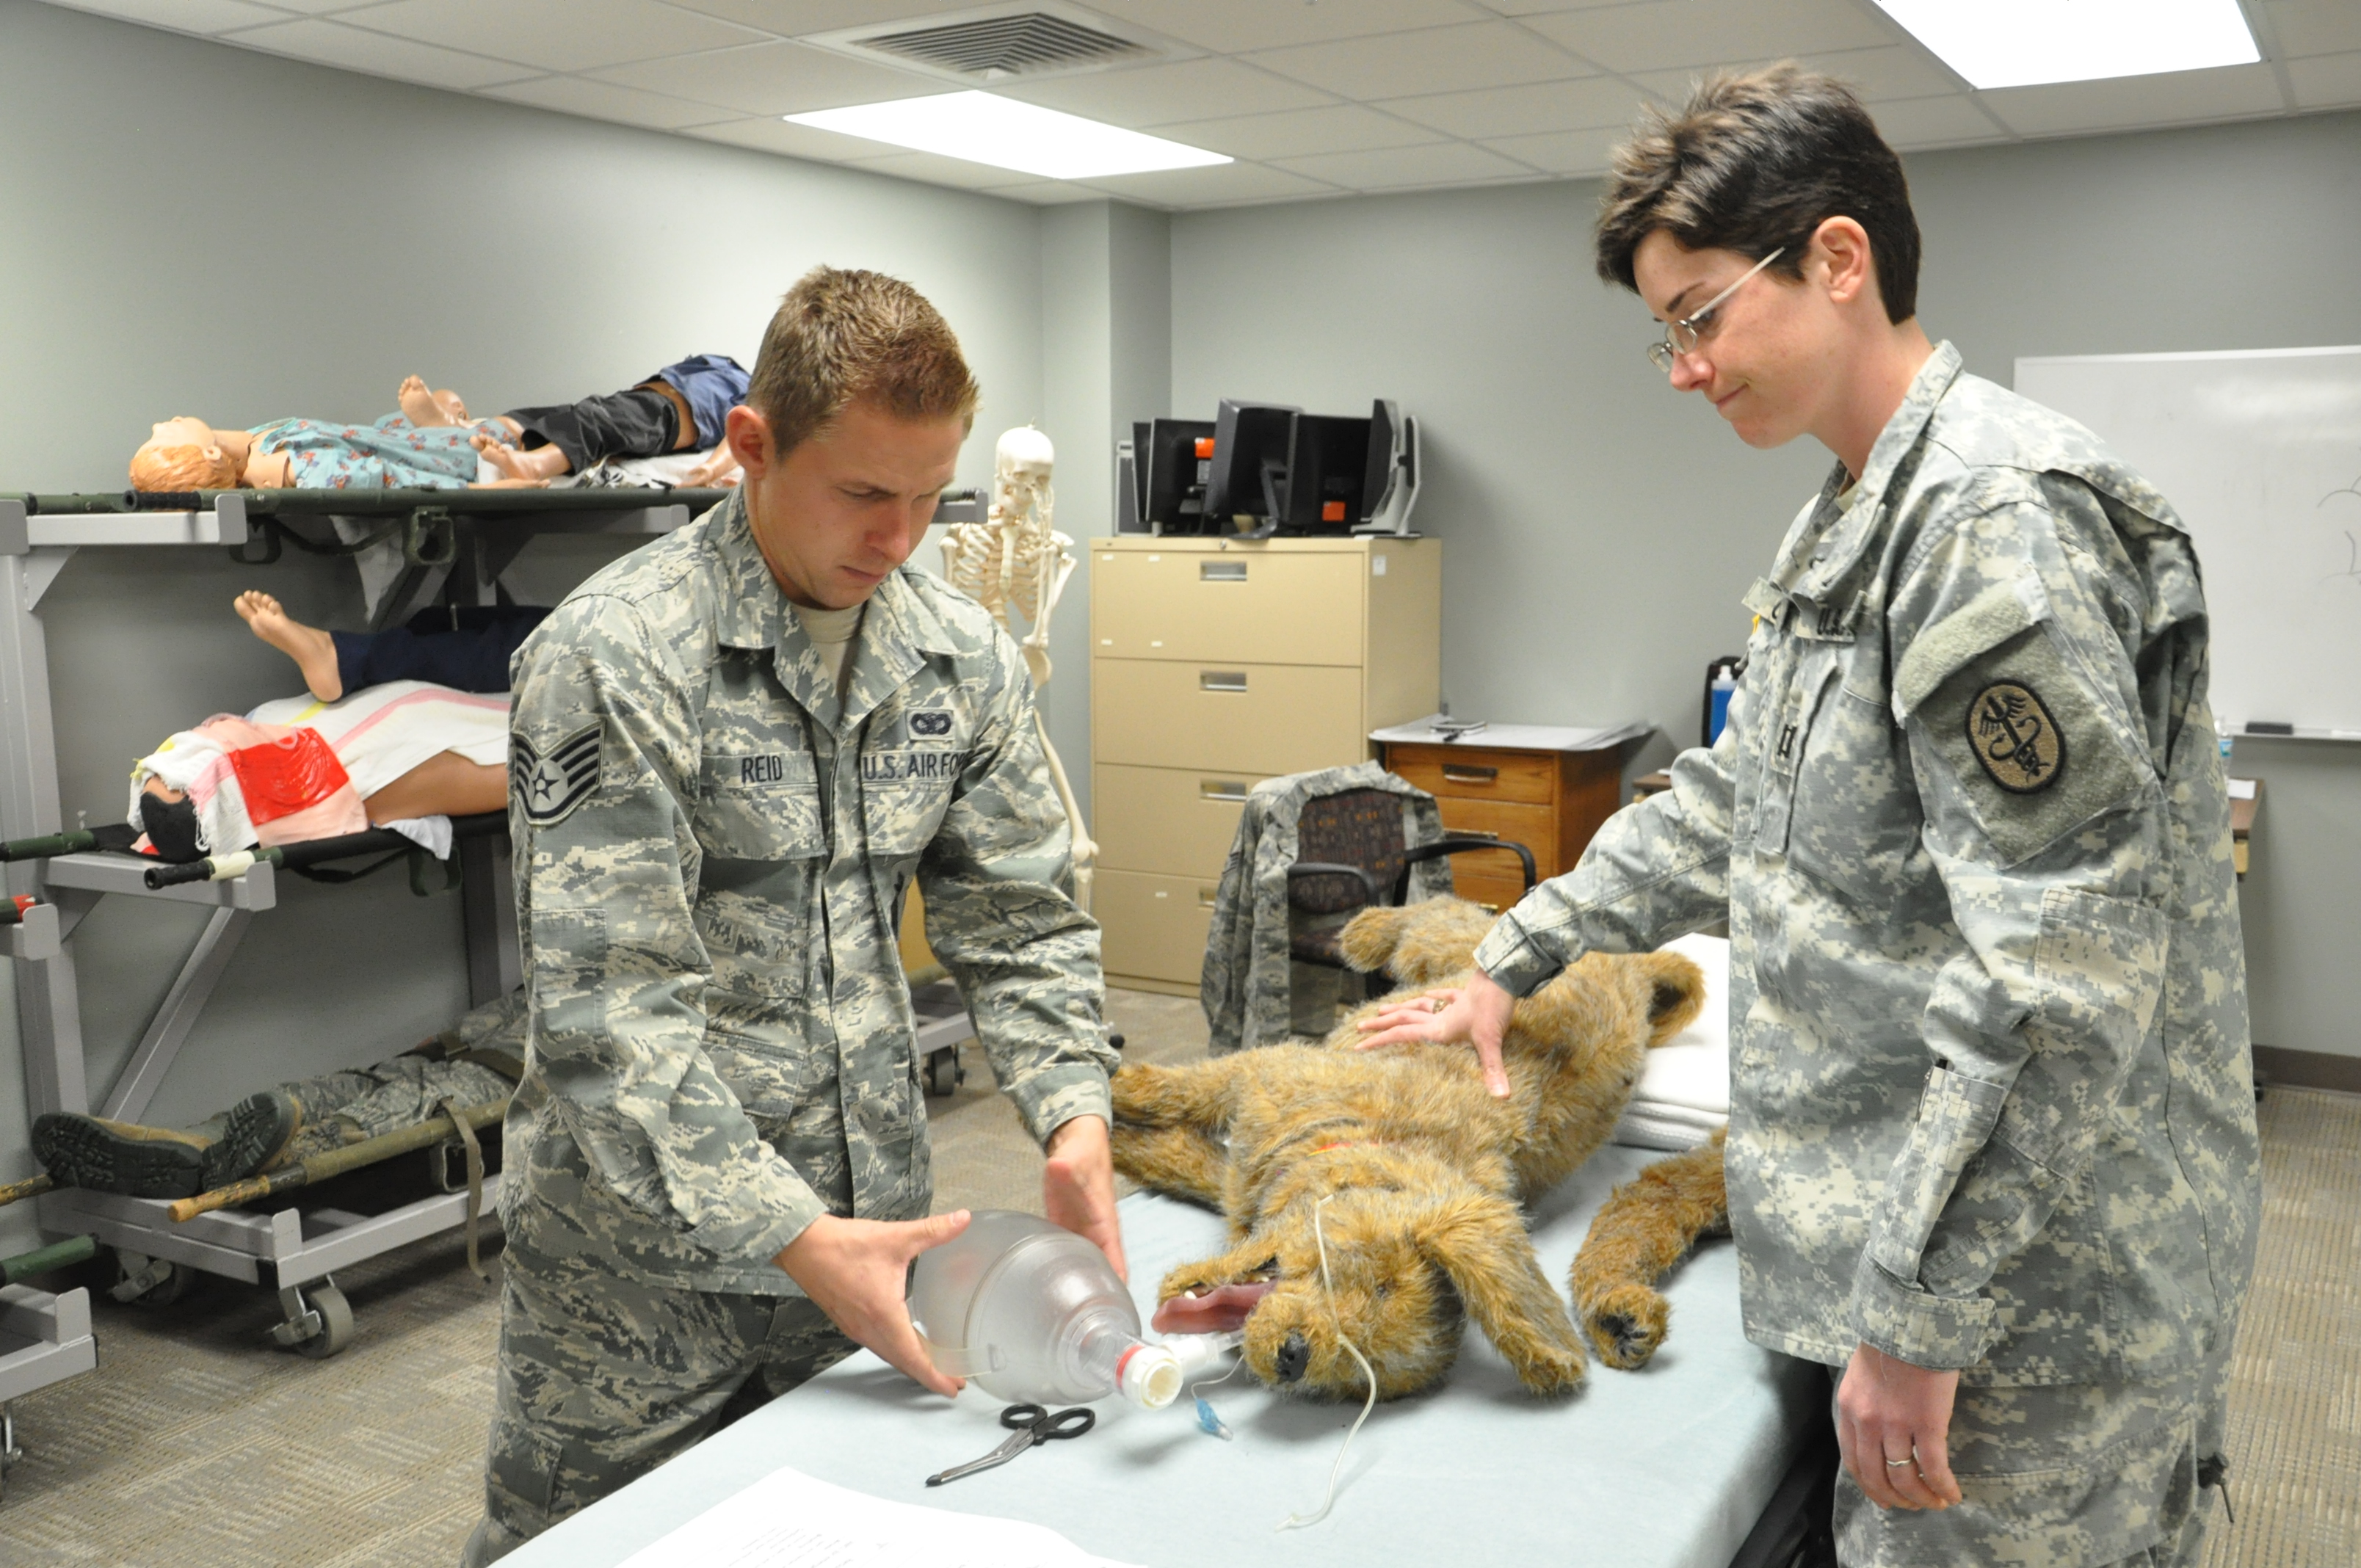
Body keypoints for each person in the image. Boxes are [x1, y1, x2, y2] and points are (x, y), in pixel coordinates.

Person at [1357, 65, 2260, 1568]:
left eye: (1699, 315)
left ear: (1838, 261)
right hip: (1918, 1254)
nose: (1682, 368)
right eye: (1666, 333)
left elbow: (2055, 983)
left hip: (2032, 1304)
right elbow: (1735, 797)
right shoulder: (1855, 513)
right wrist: (1517, 952)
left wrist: (1918, 1309)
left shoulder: (1989, 523)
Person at [462, 266, 1122, 1564]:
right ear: (751, 447)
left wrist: (1074, 1114)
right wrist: (793, 1234)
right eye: (866, 494)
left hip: (869, 1237)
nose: (898, 538)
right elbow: (612, 1016)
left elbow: (1023, 920)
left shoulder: (953, 655)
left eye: (931, 500)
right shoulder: (617, 656)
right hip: (637, 1282)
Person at [32, 995, 525, 1201]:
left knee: (401, 1106)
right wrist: (437, 1045)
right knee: (325, 1090)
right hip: (448, 1057)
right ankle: (191, 1144)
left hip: (504, 1077)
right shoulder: (553, 967)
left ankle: (278, 1155)